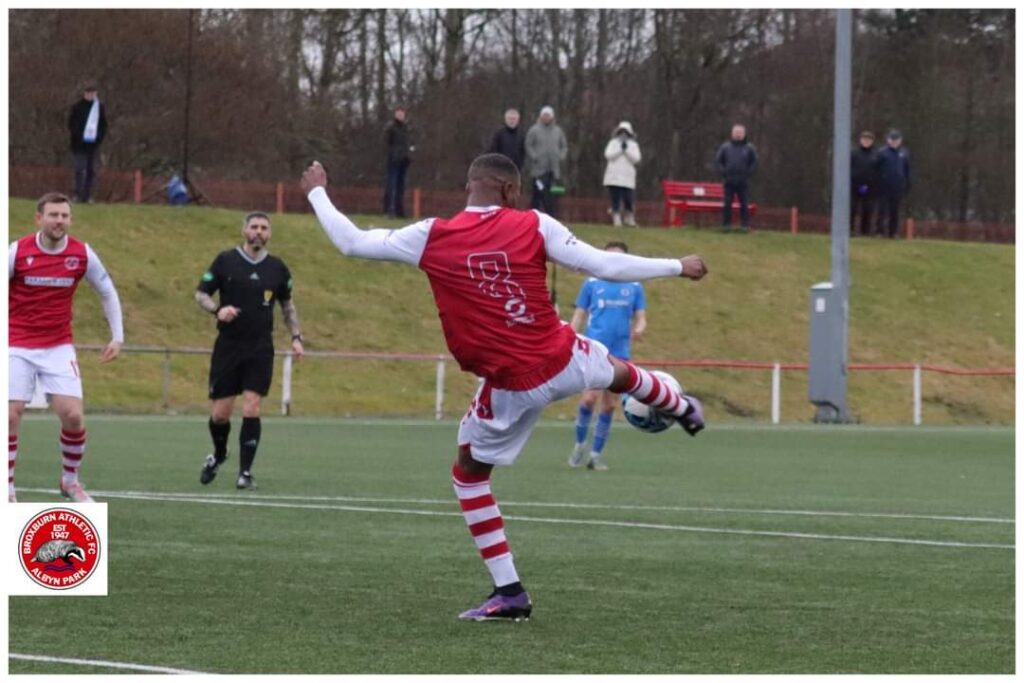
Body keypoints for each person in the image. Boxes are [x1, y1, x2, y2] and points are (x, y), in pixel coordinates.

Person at [301, 153, 707, 622]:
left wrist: (317, 190)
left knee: (469, 473)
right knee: (617, 371)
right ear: (511, 192)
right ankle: (682, 407)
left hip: (510, 383)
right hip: (562, 355)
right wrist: (678, 265)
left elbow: (350, 242)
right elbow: (601, 264)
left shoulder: (432, 235)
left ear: (468, 186)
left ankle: (510, 591)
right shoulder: (534, 223)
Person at [8, 192, 124, 503]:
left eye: (64, 216)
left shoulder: (82, 254)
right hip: (15, 344)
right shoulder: (17, 252)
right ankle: (6, 487)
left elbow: (107, 292)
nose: (59, 221)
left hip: (58, 347)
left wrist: (117, 336)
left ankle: (70, 482)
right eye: (53, 215)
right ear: (39, 218)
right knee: (10, 415)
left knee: (73, 416)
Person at [195, 212, 304, 489]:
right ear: (244, 230)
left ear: (269, 234)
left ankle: (245, 472)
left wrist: (296, 336)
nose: (258, 232)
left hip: (260, 348)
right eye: (254, 227)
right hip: (229, 346)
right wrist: (218, 310)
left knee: (252, 406)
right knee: (220, 414)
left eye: (264, 228)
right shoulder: (225, 261)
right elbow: (201, 294)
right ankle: (219, 454)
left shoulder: (277, 268)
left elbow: (287, 306)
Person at [568, 241, 647, 471]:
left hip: (620, 353)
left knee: (610, 405)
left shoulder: (634, 286)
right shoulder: (592, 283)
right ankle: (579, 445)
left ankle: (595, 455)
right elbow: (579, 313)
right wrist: (569, 336)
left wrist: (640, 327)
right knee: (589, 399)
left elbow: (641, 316)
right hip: (593, 350)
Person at [67, 84, 108, 204]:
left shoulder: (99, 108)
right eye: (89, 93)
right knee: (79, 169)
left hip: (93, 145)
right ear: (85, 94)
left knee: (91, 170)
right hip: (79, 145)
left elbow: (103, 125)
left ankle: (88, 195)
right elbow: (71, 124)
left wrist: (98, 138)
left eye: (94, 93)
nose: (91, 96)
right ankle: (77, 194)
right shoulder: (77, 107)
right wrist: (79, 136)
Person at [525, 105, 568, 217]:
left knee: (552, 196)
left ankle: (552, 217)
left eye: (548, 115)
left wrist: (561, 156)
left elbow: (564, 146)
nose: (546, 117)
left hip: (554, 171)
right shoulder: (534, 130)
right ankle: (533, 216)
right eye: (544, 115)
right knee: (538, 194)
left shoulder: (558, 131)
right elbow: (528, 145)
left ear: (552, 117)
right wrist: (534, 156)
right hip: (538, 170)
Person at [715, 123, 758, 231]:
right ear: (732, 133)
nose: (738, 135)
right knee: (727, 203)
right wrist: (723, 172)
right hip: (729, 180)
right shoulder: (725, 147)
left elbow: (755, 162)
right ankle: (726, 225)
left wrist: (748, 173)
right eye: (736, 132)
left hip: (743, 181)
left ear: (744, 134)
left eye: (740, 133)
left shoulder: (749, 148)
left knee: (744, 203)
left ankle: (745, 225)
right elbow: (718, 161)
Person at [602, 122, 642, 227]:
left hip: (627, 178)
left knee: (628, 199)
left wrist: (626, 150)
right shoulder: (613, 143)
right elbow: (608, 155)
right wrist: (620, 149)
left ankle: (629, 218)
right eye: (621, 132)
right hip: (614, 177)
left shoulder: (633, 145)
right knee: (615, 198)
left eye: (626, 132)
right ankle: (616, 218)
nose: (623, 135)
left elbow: (636, 159)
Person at [875, 129, 911, 239]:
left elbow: (907, 170)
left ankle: (893, 232)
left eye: (897, 139)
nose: (895, 141)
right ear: (888, 140)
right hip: (884, 186)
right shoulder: (882, 153)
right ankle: (879, 232)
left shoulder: (904, 153)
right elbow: (876, 169)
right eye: (892, 139)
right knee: (882, 210)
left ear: (900, 140)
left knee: (895, 210)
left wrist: (907, 183)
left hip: (898, 186)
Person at [383, 107, 413, 218]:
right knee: (392, 185)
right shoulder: (391, 127)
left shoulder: (406, 128)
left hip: (404, 160)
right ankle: (389, 210)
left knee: (401, 186)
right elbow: (387, 141)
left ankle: (400, 210)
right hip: (394, 159)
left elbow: (407, 142)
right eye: (398, 113)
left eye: (402, 114)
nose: (400, 116)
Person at [850, 131, 879, 236]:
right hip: (854, 185)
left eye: (868, 140)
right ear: (860, 140)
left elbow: (878, 171)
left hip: (869, 187)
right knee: (852, 208)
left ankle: (865, 231)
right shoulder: (854, 153)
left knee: (867, 209)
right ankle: (851, 230)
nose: (866, 141)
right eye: (864, 139)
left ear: (872, 141)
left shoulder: (876, 155)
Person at [488, 108, 526, 173]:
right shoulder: (499, 134)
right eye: (510, 119)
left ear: (518, 120)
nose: (512, 121)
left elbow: (523, 152)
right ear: (505, 119)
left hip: (516, 170)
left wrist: (521, 166)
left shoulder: (521, 134)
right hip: (501, 169)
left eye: (514, 119)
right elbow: (493, 150)